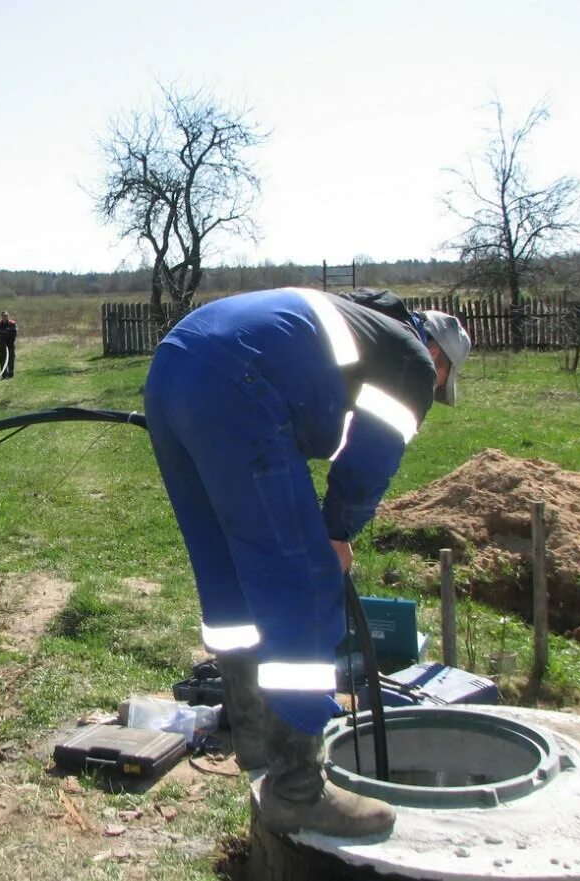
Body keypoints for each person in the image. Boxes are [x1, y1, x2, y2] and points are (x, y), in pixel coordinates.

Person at [142, 287, 470, 838]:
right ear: (438, 357)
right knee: (305, 585)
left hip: (173, 365)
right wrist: (338, 531)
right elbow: (371, 456)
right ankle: (297, 788)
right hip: (238, 386)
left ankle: (255, 745)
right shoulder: (409, 361)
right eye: (441, 385)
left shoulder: (350, 319)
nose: (434, 393)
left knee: (229, 583)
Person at [0, 310, 18, 377]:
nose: (5, 317)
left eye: (6, 316)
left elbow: (14, 333)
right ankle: (4, 373)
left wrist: (4, 332)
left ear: (8, 316)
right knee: (2, 358)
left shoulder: (12, 324)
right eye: (3, 316)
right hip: (1, 345)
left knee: (11, 358)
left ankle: (10, 373)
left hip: (10, 344)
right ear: (1, 317)